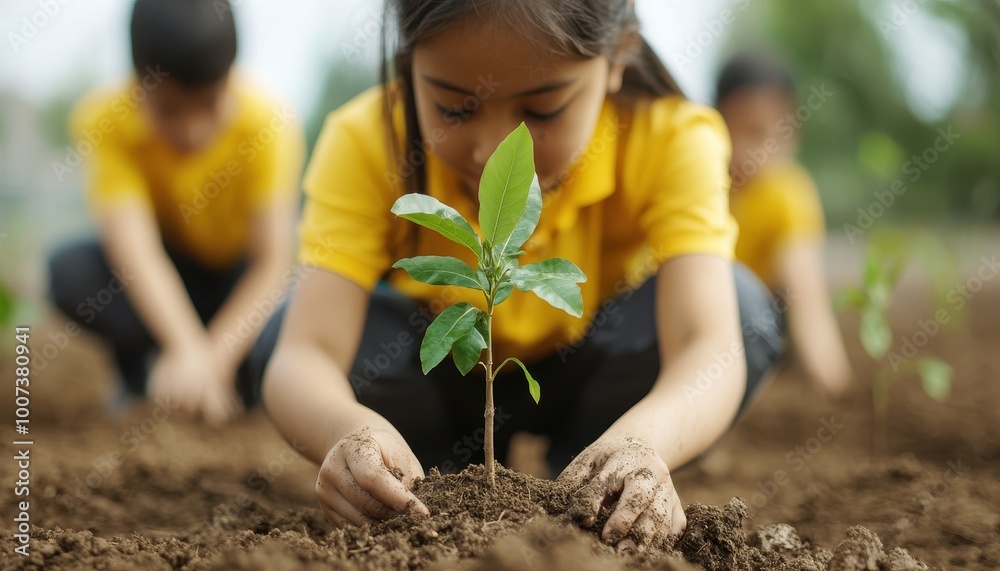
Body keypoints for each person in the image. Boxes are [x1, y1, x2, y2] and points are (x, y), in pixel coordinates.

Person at [242, 0, 783, 552]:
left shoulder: (671, 136)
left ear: (618, 56)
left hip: (595, 378)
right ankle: (416, 474)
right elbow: (304, 354)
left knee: (743, 310)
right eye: (454, 108)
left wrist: (646, 442)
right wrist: (347, 430)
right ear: (408, 60)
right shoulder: (365, 138)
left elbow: (708, 345)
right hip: (440, 377)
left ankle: (593, 469)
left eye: (543, 111)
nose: (494, 151)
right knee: (285, 325)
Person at [48, 0, 305, 425]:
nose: (192, 132)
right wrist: (185, 347)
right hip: (167, 278)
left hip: (237, 283)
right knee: (70, 271)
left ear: (230, 78)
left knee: (295, 308)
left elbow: (272, 262)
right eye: (168, 109)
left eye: (208, 105)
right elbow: (136, 252)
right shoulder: (104, 119)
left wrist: (213, 357)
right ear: (137, 82)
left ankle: (232, 380)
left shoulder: (269, 125)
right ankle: (150, 370)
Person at [716, 53, 854, 397]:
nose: (761, 150)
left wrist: (833, 379)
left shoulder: (788, 192)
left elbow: (805, 293)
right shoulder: (697, 180)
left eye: (776, 134)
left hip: (756, 325)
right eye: (748, 131)